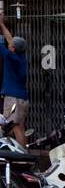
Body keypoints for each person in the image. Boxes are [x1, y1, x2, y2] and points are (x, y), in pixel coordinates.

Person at [0, 16, 30, 147]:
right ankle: (24, 154)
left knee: (15, 127)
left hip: (13, 99)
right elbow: (9, 39)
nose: (9, 44)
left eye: (11, 45)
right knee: (20, 127)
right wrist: (1, 24)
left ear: (13, 49)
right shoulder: (20, 56)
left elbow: (2, 44)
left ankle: (22, 156)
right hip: (21, 98)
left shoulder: (11, 58)